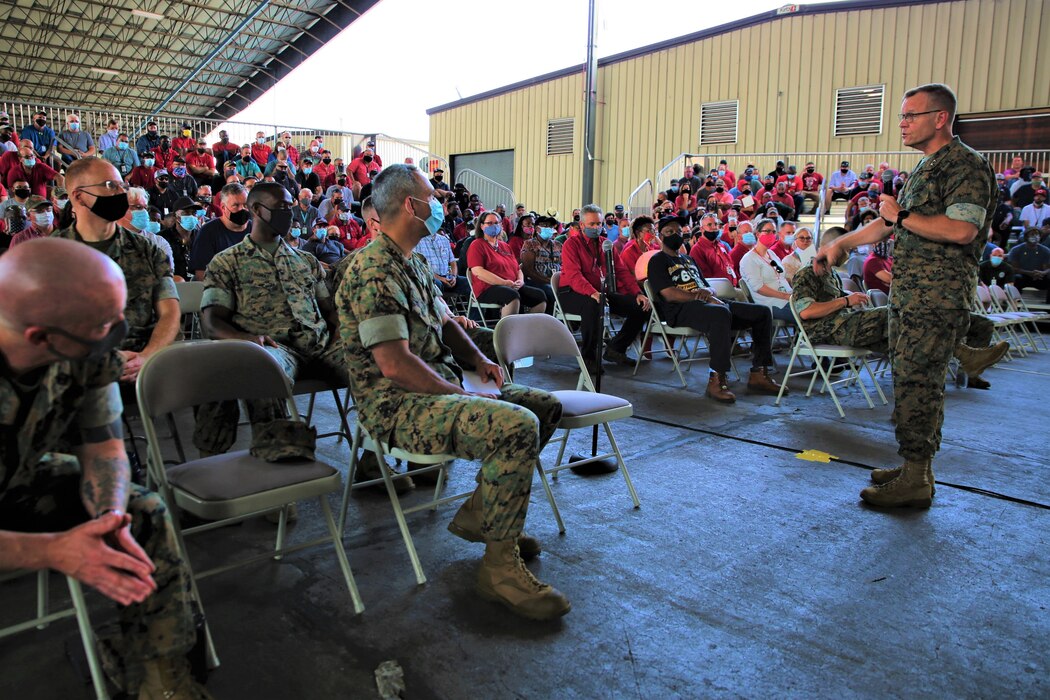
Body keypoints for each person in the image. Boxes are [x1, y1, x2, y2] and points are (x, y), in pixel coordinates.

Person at [335, 163, 570, 620]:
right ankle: (499, 571)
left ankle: (487, 515)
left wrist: (479, 362)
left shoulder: (415, 262)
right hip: (396, 407)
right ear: (411, 205)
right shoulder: (372, 270)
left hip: (435, 392)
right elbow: (394, 365)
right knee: (516, 424)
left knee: (544, 405)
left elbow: (445, 321)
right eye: (431, 196)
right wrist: (461, 394)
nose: (438, 204)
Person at [0, 238, 211, 698]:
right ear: (40, 337)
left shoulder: (85, 342)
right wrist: (54, 550)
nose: (118, 335)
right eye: (105, 326)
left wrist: (108, 518)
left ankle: (161, 674)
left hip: (20, 474)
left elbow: (104, 445)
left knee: (145, 511)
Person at [814, 83, 999, 508]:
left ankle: (916, 478)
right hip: (913, 295)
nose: (902, 123)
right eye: (901, 116)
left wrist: (902, 214)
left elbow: (961, 230)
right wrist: (842, 244)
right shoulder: (927, 167)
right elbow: (889, 225)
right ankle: (917, 467)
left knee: (919, 382)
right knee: (912, 379)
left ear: (940, 118)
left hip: (936, 296)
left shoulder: (964, 165)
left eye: (911, 115)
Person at [795, 229, 1007, 390]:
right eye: (846, 249)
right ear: (831, 246)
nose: (849, 253)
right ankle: (964, 354)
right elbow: (806, 312)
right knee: (893, 316)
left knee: (908, 342)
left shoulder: (829, 273)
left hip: (841, 325)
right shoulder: (808, 273)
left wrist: (847, 300)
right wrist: (845, 302)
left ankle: (923, 390)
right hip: (825, 331)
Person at [53, 158, 181, 385]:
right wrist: (100, 360)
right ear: (78, 196)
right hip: (78, 369)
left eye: (121, 186)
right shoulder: (51, 255)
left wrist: (147, 356)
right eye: (110, 186)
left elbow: (170, 312)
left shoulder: (147, 249)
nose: (121, 192)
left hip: (143, 360)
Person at [647, 216, 785, 403]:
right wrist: (700, 296)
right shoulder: (658, 261)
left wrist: (708, 292)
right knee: (720, 313)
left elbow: (707, 286)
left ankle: (759, 373)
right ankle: (716, 380)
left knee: (761, 312)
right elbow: (669, 294)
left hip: (708, 304)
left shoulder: (688, 259)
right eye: (669, 232)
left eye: (678, 232)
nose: (675, 235)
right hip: (680, 310)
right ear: (660, 236)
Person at [557, 204, 649, 372]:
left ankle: (615, 349)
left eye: (599, 224)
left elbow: (621, 271)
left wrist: (638, 293)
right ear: (582, 225)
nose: (597, 227)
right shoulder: (571, 244)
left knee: (642, 307)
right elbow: (574, 275)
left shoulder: (605, 244)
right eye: (592, 224)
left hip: (600, 292)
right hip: (571, 293)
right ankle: (589, 358)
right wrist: (592, 293)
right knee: (594, 305)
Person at [467, 211, 546, 319]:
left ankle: (526, 329)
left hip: (511, 285)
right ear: (481, 226)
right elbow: (478, 271)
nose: (494, 226)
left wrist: (520, 281)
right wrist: (503, 282)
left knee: (540, 296)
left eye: (496, 223)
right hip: (488, 288)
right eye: (489, 223)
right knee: (511, 295)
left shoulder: (505, 246)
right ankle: (507, 331)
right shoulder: (477, 245)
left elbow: (518, 269)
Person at [189, 183, 251, 280]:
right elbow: (201, 274)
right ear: (223, 207)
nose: (242, 209)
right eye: (236, 205)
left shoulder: (256, 229)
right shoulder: (208, 232)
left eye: (245, 205)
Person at [739, 218, 794, 322]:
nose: (771, 234)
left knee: (814, 309)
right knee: (808, 314)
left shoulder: (771, 254)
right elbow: (759, 288)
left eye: (773, 232)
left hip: (788, 297)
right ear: (758, 234)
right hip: (772, 303)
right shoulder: (749, 259)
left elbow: (781, 275)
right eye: (767, 231)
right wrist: (785, 296)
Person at [689, 213, 739, 287]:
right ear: (701, 229)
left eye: (716, 224)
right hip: (718, 292)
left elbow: (731, 265)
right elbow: (705, 278)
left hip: (733, 287)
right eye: (709, 225)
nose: (714, 227)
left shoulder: (722, 245)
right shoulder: (697, 249)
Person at [1007, 228, 1050, 301]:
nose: (1035, 236)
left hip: (1040, 277)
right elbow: (1014, 268)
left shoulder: (1045, 250)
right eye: (1032, 234)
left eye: (1037, 234)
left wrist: (1042, 273)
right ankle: (1015, 302)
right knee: (1016, 278)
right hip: (1023, 276)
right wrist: (1029, 273)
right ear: (1026, 237)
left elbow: (1047, 268)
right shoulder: (1016, 250)